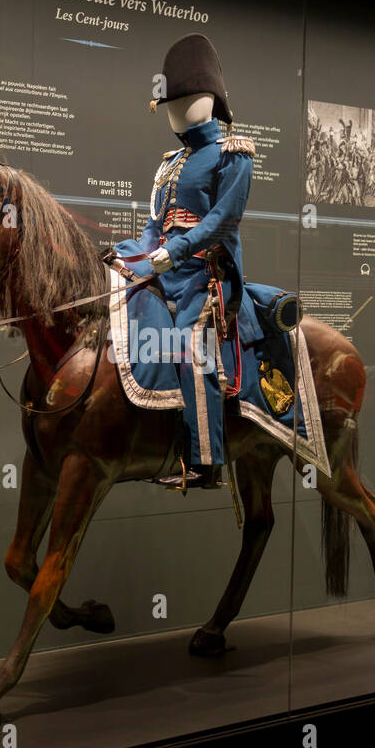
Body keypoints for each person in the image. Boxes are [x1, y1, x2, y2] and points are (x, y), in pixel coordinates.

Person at [125, 33, 256, 490]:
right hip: (165, 267)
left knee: (188, 345)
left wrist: (173, 252)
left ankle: (206, 461)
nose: (176, 113)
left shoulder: (232, 156)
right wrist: (140, 259)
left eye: (184, 101)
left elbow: (222, 221)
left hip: (207, 273)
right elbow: (153, 224)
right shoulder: (169, 164)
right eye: (170, 105)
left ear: (209, 100)